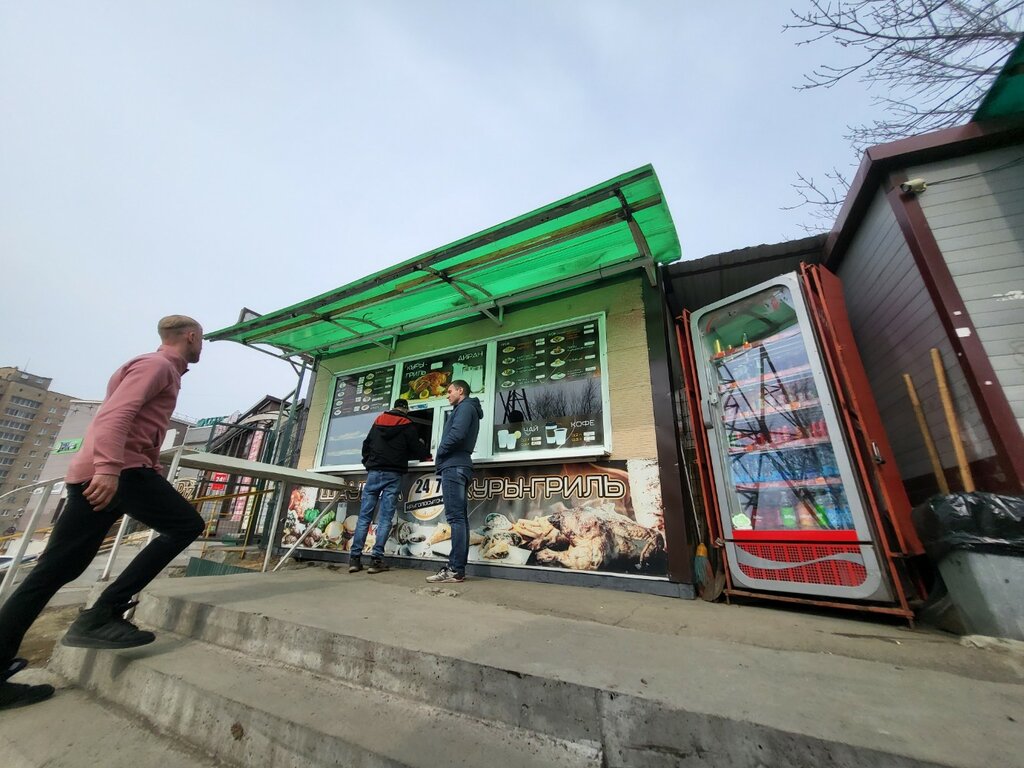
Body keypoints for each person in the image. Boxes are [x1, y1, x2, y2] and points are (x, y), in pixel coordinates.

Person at [0, 315, 207, 711]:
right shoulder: (158, 366)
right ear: (192, 337)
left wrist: (149, 461)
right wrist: (111, 469)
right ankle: (104, 613)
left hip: (102, 471)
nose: (201, 350)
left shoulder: (151, 367)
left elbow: (136, 422)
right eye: (201, 343)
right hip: (117, 472)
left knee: (54, 572)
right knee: (185, 525)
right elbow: (115, 417)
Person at [349, 398, 429, 574]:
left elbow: (366, 445)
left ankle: (354, 560)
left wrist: (369, 463)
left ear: (394, 407)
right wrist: (426, 453)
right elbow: (416, 448)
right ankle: (376, 561)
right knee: (385, 518)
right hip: (393, 474)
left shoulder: (378, 422)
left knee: (364, 517)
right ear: (405, 410)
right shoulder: (407, 424)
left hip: (374, 473)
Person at [426, 380, 482, 584]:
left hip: (454, 466)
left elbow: (457, 435)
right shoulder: (466, 408)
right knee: (460, 519)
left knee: (456, 519)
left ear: (461, 391)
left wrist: (439, 452)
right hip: (459, 466)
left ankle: (455, 569)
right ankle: (457, 569)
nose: (447, 395)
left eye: (449, 391)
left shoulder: (465, 407)